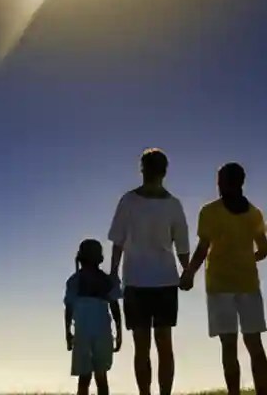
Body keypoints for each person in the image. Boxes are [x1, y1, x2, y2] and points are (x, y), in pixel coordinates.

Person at [179, 162, 267, 395]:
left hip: (224, 286)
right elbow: (262, 250)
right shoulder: (253, 213)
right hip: (242, 285)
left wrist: (190, 272)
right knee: (250, 344)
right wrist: (246, 260)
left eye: (220, 180)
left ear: (229, 183)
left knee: (233, 346)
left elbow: (203, 247)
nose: (218, 185)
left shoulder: (211, 211)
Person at [108, 148, 191, 395]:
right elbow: (182, 247)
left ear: (142, 169)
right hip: (156, 281)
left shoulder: (132, 201)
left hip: (144, 282)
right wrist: (187, 271)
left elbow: (118, 241)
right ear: (164, 171)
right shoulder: (168, 204)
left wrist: (114, 273)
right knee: (161, 344)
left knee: (145, 346)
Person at [65, 238, 124, 395]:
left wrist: (67, 333)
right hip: (100, 331)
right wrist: (119, 333)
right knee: (99, 377)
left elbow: (69, 308)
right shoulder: (105, 280)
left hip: (85, 331)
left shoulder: (76, 280)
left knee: (87, 378)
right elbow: (115, 308)